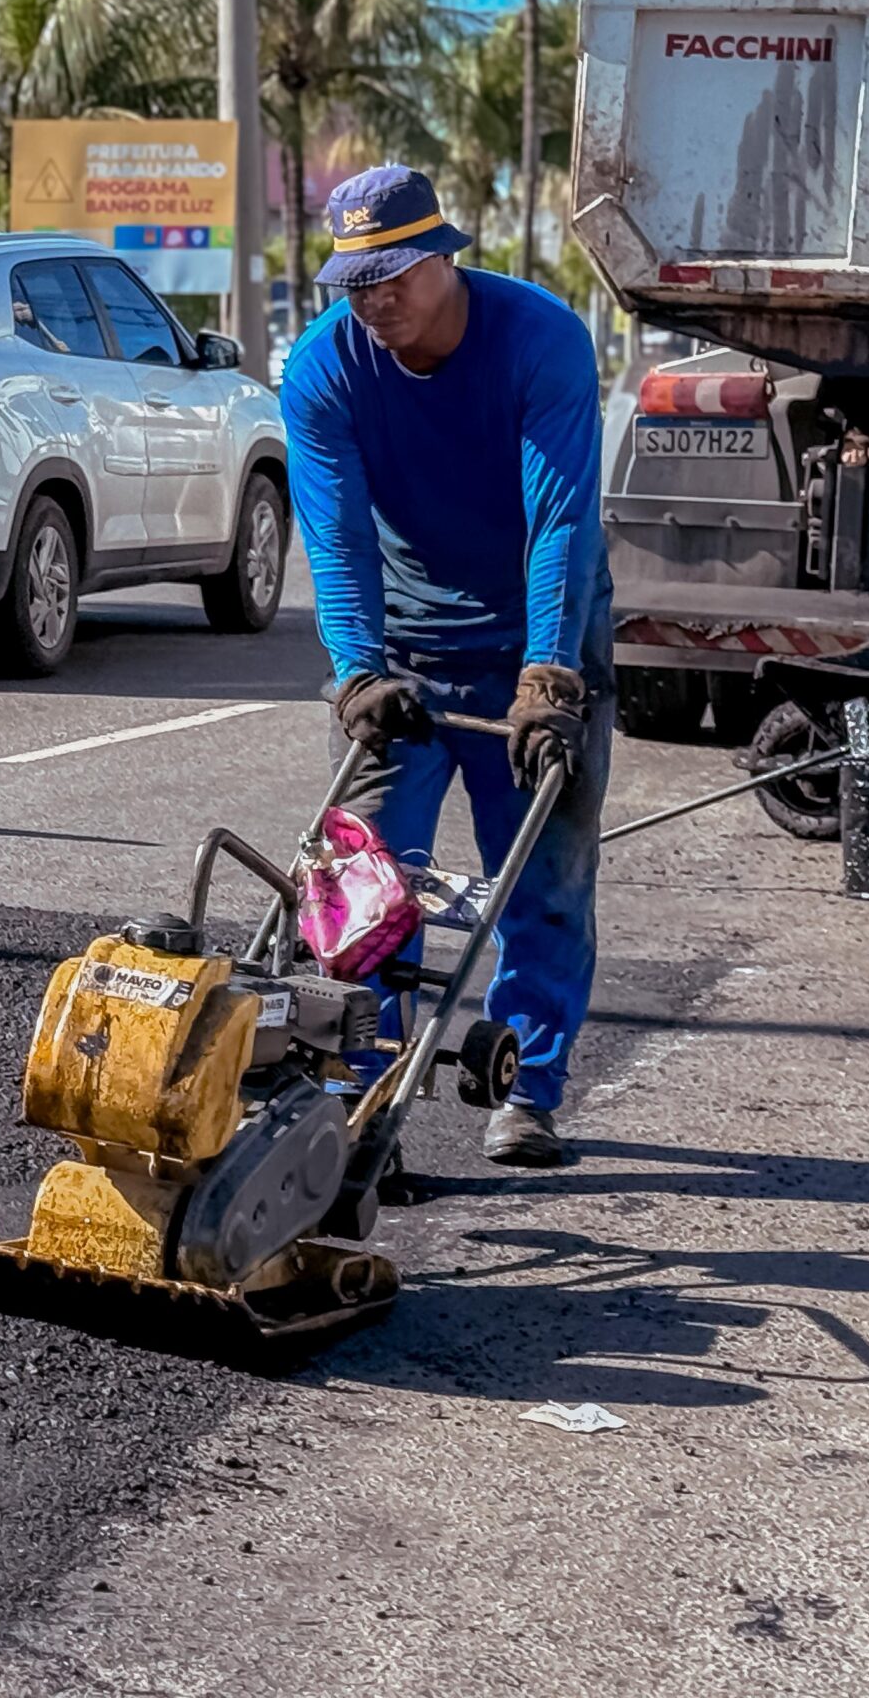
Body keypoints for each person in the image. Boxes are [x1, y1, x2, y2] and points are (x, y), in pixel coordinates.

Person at [280, 164, 613, 1168]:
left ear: (442, 259)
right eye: (354, 282)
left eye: (393, 276)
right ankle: (360, 1101)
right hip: (410, 654)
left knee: (545, 877)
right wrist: (355, 671)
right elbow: (332, 536)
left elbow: (560, 520)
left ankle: (530, 1091)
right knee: (368, 884)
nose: (374, 300)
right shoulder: (323, 367)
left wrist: (548, 678)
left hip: (536, 642)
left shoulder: (537, 339)